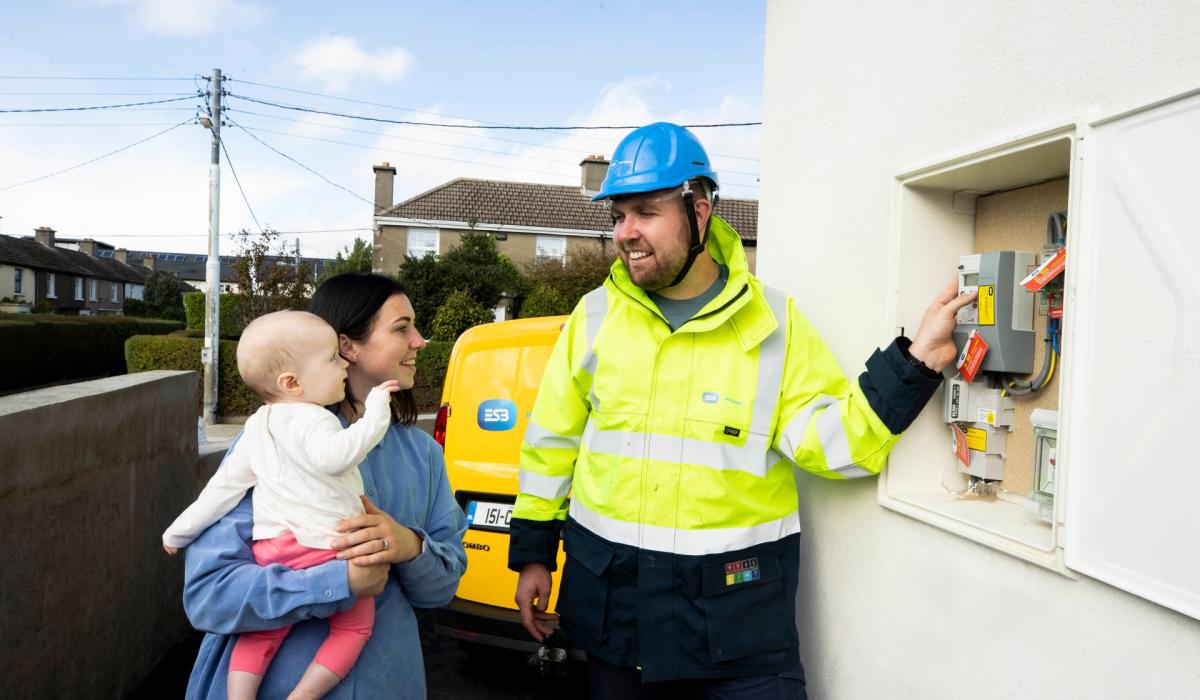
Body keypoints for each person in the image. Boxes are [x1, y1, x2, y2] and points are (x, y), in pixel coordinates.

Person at [509, 122, 976, 699]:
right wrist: (533, 555)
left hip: (737, 632)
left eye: (646, 212)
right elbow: (551, 442)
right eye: (617, 216)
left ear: (699, 211)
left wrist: (917, 363)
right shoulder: (595, 315)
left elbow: (834, 443)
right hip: (617, 621)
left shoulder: (774, 323)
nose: (626, 233)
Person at [181, 274, 468, 699]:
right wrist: (336, 582)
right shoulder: (270, 439)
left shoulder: (424, 455)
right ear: (348, 346)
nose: (420, 341)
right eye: (402, 327)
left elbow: (442, 589)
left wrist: (408, 545)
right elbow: (209, 594)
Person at [163, 310, 401, 699]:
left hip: (272, 550)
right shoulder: (314, 419)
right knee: (355, 628)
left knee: (261, 634)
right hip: (326, 549)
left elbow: (222, 490)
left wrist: (178, 531)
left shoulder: (256, 426)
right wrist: (376, 412)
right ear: (291, 382)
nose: (344, 363)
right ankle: (304, 695)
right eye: (331, 358)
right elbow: (337, 457)